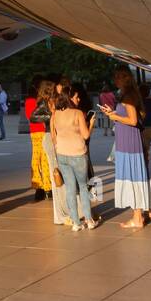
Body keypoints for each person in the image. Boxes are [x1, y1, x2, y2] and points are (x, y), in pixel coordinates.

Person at [101, 67, 151, 229]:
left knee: (132, 176)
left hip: (128, 143)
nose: (115, 80)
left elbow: (132, 120)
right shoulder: (128, 95)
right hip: (129, 141)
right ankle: (143, 213)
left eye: (117, 78)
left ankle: (137, 217)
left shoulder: (128, 96)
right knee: (136, 175)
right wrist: (114, 113)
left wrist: (114, 116)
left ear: (124, 79)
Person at [51, 94, 100, 230]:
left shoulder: (54, 116)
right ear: (69, 101)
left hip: (62, 153)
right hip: (78, 153)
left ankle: (76, 223)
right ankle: (89, 220)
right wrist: (91, 124)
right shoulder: (77, 113)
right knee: (83, 187)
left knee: (70, 188)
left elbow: (54, 138)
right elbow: (85, 135)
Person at [40, 81, 71, 226]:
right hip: (51, 138)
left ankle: (62, 214)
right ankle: (62, 215)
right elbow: (34, 116)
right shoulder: (48, 102)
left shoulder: (51, 101)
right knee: (57, 177)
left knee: (59, 177)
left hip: (53, 138)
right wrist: (50, 117)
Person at [25, 78, 51, 199]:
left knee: (36, 158)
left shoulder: (28, 101)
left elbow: (29, 116)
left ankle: (38, 185)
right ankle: (47, 186)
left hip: (33, 133)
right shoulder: (37, 100)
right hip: (41, 131)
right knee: (44, 158)